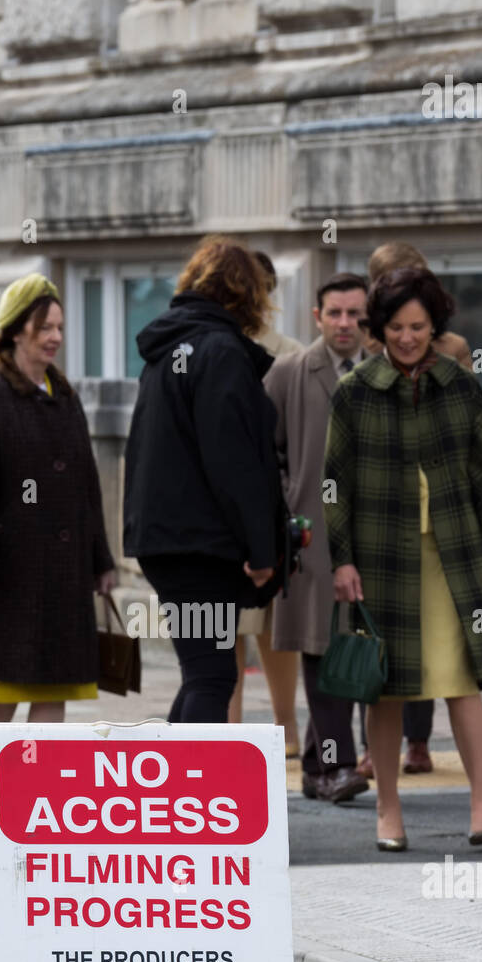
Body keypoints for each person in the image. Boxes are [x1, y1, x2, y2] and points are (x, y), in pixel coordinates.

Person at [325, 267, 482, 851]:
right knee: (384, 688)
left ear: (434, 324)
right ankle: (389, 811)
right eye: (397, 327)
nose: (408, 338)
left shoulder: (460, 385)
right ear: (379, 329)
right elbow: (335, 484)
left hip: (452, 557)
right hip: (381, 559)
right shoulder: (355, 391)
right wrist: (341, 559)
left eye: (418, 326)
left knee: (463, 681)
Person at [0, 272, 115, 823]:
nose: (54, 337)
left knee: (53, 697)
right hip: (6, 576)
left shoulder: (62, 392)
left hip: (64, 575)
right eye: (44, 327)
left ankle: (26, 804)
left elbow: (88, 483)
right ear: (16, 331)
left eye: (60, 327)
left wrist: (101, 560)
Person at [123, 235, 285, 724]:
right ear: (247, 295)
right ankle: (188, 791)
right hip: (201, 548)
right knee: (212, 676)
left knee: (202, 672)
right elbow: (233, 462)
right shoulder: (221, 352)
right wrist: (262, 550)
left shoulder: (167, 351)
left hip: (168, 543)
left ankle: (173, 786)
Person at [358, 242, 476, 778]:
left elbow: (472, 417)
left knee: (433, 645)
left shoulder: (452, 346)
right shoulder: (367, 345)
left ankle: (419, 742)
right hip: (381, 508)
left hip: (438, 509)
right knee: (378, 642)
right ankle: (374, 749)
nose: (407, 336)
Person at [264, 273, 371, 804]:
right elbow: (266, 450)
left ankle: (317, 764)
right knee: (320, 648)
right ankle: (335, 766)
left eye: (355, 314)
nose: (345, 323)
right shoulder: (288, 373)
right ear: (317, 316)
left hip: (372, 535)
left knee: (351, 649)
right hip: (311, 536)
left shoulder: (381, 372)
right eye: (335, 313)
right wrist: (289, 504)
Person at [229, 250, 305, 756]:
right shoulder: (204, 347)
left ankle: (287, 730)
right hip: (217, 516)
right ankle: (230, 737)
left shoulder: (291, 355)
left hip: (274, 511)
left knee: (278, 631)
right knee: (223, 631)